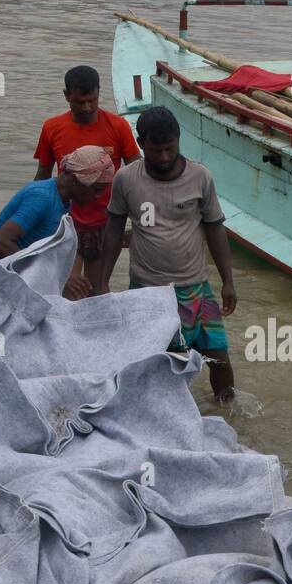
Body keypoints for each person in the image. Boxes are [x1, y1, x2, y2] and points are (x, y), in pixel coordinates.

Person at [97, 106, 238, 402]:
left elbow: (215, 230)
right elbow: (113, 230)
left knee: (219, 357)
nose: (163, 157)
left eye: (169, 148)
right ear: (140, 143)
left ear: (178, 140)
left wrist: (228, 281)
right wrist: (102, 282)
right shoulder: (126, 180)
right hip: (148, 292)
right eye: (155, 150)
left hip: (196, 287)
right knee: (159, 365)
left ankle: (228, 415)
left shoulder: (201, 177)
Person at [33, 65, 141, 297]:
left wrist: (141, 222)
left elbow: (138, 175)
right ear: (66, 96)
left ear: (99, 93)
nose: (87, 107)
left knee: (97, 292)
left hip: (105, 223)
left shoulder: (118, 126)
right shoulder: (52, 128)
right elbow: (42, 177)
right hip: (66, 222)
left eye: (92, 100)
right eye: (79, 102)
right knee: (66, 290)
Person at [0, 146, 114, 300]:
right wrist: (58, 278)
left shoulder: (65, 200)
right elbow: (0, 242)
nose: (98, 196)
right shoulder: (42, 197)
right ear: (74, 180)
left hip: (20, 279)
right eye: (96, 189)